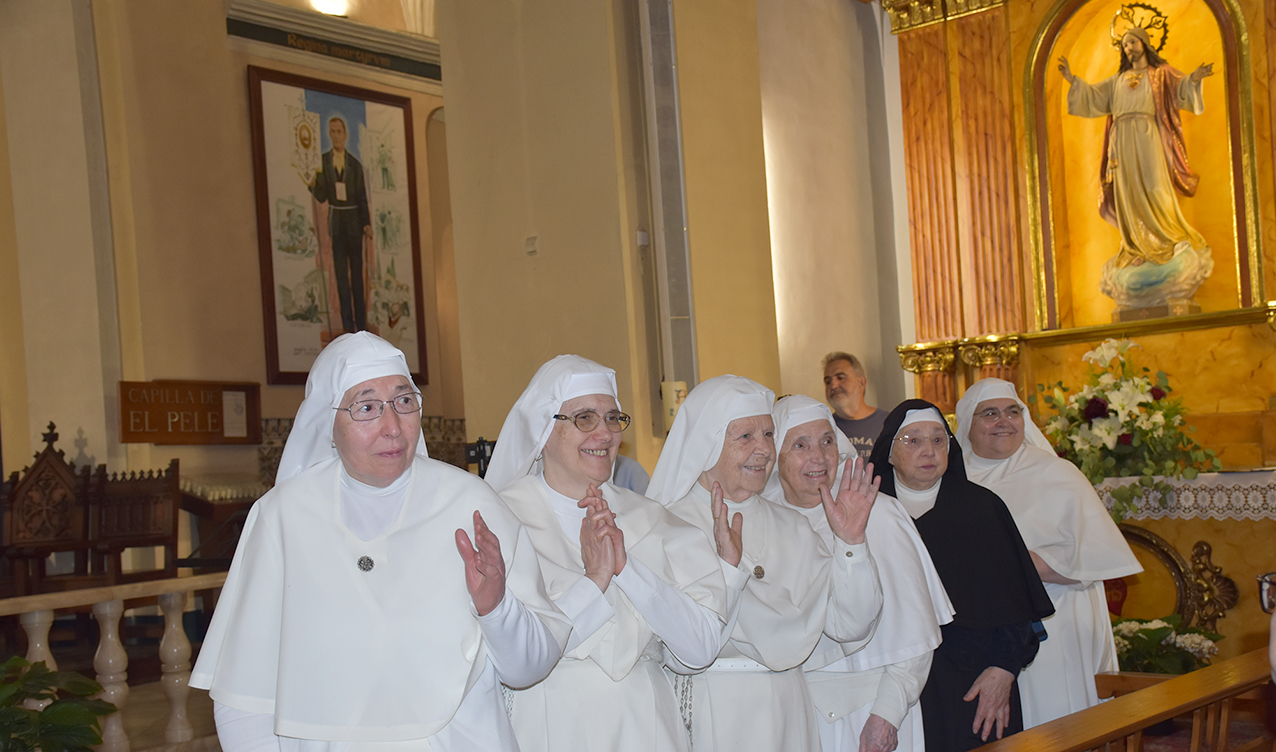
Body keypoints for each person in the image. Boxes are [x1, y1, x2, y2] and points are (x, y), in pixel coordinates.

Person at [191, 332, 570, 751]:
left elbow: (529, 669)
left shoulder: (472, 505)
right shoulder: (282, 517)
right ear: (328, 424)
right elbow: (242, 702)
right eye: (367, 407)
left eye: (404, 402)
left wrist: (497, 608)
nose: (392, 428)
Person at [483, 355, 728, 752]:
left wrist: (626, 569)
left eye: (612, 418)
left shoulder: (653, 519)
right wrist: (595, 581)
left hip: (647, 724)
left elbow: (700, 650)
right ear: (545, 429)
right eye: (584, 418)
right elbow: (517, 655)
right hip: (549, 722)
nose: (605, 432)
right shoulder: (500, 520)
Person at [647, 375, 883, 752]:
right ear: (707, 442)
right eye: (745, 437)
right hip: (712, 708)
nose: (764, 451)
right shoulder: (665, 524)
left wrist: (851, 545)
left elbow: (850, 624)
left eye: (769, 435)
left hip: (789, 707)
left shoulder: (794, 526)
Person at [765, 395, 954, 752]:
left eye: (826, 440)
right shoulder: (765, 518)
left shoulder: (878, 512)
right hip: (792, 712)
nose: (819, 457)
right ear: (776, 455)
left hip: (870, 714)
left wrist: (888, 713)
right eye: (800, 445)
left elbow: (914, 632)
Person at [868, 400, 1053, 752]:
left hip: (974, 681)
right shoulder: (866, 511)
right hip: (887, 681)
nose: (929, 451)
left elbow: (1017, 607)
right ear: (889, 453)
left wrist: (1004, 670)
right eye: (913, 440)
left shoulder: (983, 508)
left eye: (939, 440)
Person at [955, 378, 1142, 728]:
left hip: (1056, 623)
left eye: (1013, 412)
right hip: (980, 630)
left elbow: (1095, 556)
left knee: (1055, 722)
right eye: (990, 413)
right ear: (967, 423)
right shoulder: (951, 480)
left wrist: (1013, 563)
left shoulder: (1056, 473)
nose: (1003, 421)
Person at [1058, 28, 1214, 270]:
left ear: (1145, 43)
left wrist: (1194, 78)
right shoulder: (1117, 80)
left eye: (1132, 42)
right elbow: (1093, 96)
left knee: (1155, 185)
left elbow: (1180, 89)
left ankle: (1168, 238)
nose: (1128, 48)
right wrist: (1072, 79)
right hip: (1120, 141)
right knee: (1127, 191)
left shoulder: (1160, 74)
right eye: (1124, 45)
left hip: (1149, 135)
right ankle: (1136, 247)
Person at [311, 115, 375, 338]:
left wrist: (366, 223)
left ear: (345, 135)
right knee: (340, 276)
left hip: (354, 224)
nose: (336, 136)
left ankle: (361, 326)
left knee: (357, 276)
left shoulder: (355, 165)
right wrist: (311, 183)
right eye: (333, 132)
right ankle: (348, 327)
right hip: (337, 223)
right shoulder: (323, 163)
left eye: (340, 131)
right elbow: (321, 196)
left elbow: (361, 197)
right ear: (330, 134)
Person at [823, 352, 887, 459]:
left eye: (840, 378)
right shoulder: (824, 428)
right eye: (828, 381)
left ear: (861, 382)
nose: (833, 385)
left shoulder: (888, 422)